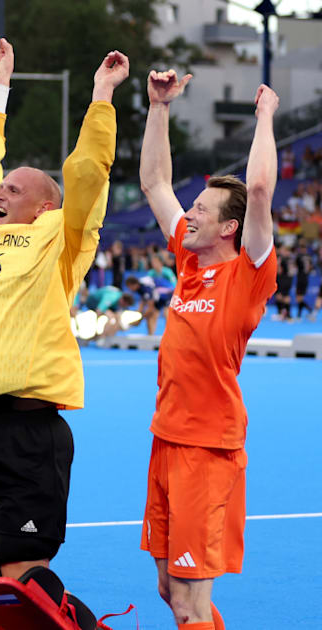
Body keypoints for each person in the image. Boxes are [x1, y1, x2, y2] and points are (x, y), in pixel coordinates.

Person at [0, 40, 127, 627]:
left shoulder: (60, 241)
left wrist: (102, 98)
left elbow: (87, 173)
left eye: (13, 191)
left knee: (22, 575)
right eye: (1, 189)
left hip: (27, 431)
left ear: (45, 209)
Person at [138, 71, 279, 630]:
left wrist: (265, 117)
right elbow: (154, 182)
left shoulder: (248, 274)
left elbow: (261, 190)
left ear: (231, 229)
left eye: (201, 209)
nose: (188, 213)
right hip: (167, 439)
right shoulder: (189, 263)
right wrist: (158, 107)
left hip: (207, 449)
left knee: (192, 600)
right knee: (171, 589)